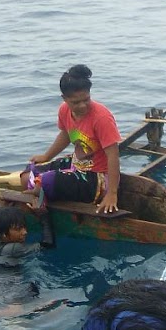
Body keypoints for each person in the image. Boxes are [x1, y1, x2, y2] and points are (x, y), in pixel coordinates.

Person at [20, 63, 125, 218]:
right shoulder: (64, 110)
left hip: (97, 179)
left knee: (45, 181)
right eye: (76, 102)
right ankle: (41, 192)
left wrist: (112, 194)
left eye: (86, 100)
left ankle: (41, 195)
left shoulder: (102, 118)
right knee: (29, 172)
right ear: (65, 99)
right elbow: (66, 134)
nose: (82, 106)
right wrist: (46, 156)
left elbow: (113, 156)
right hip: (77, 167)